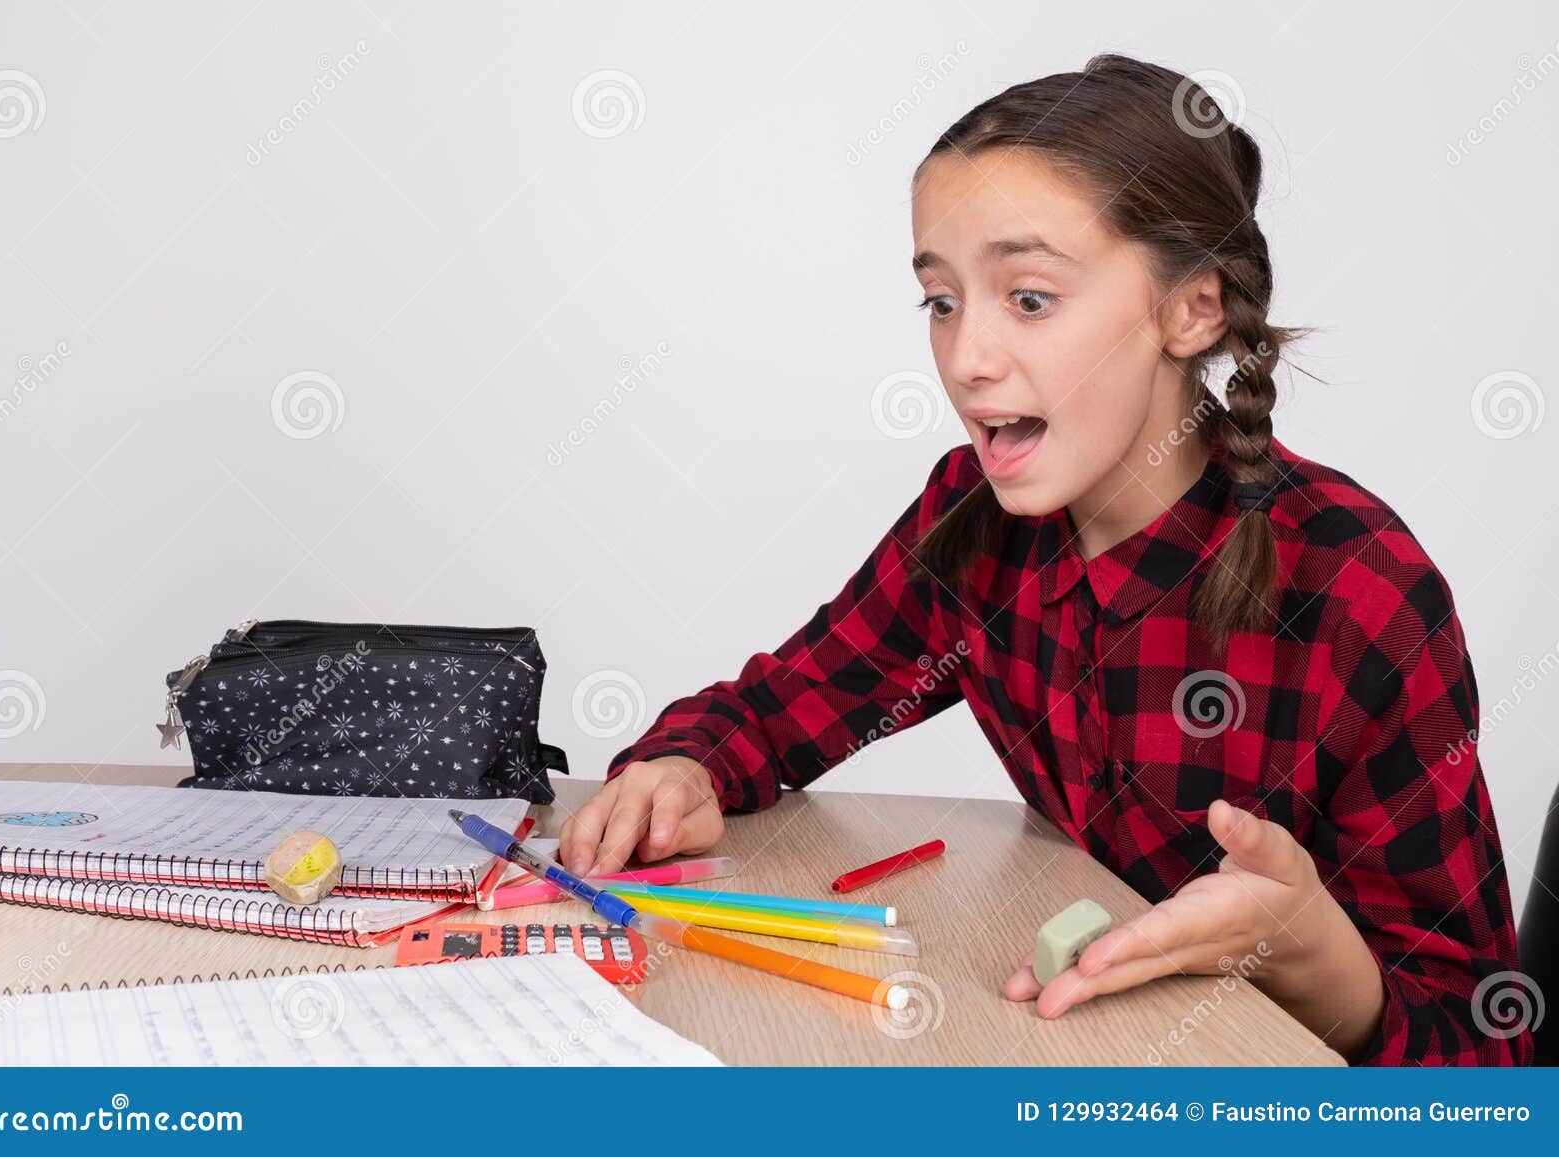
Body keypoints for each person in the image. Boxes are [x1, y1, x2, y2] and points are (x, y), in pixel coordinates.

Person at [558, 54, 1530, 1065]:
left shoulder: (1358, 591)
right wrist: (684, 764)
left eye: (1027, 297)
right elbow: (785, 705)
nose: (966, 356)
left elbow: (1487, 1064)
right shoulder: (973, 523)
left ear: (1191, 307)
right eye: (940, 301)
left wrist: (1315, 959)